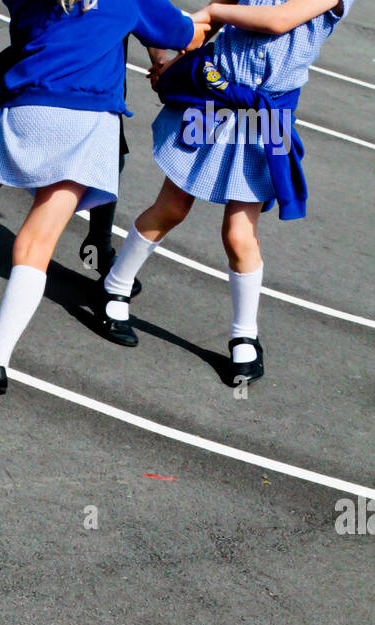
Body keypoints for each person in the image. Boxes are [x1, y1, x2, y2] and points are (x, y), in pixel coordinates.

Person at [0, 0, 208, 399]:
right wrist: (218, 16)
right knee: (38, 243)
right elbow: (188, 33)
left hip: (28, 103)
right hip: (88, 122)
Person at [99, 0, 355, 383]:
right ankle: (115, 287)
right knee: (171, 206)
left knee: (238, 234)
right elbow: (213, 26)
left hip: (263, 117)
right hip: (216, 99)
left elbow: (276, 20)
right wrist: (178, 54)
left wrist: (215, 11)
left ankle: (244, 336)